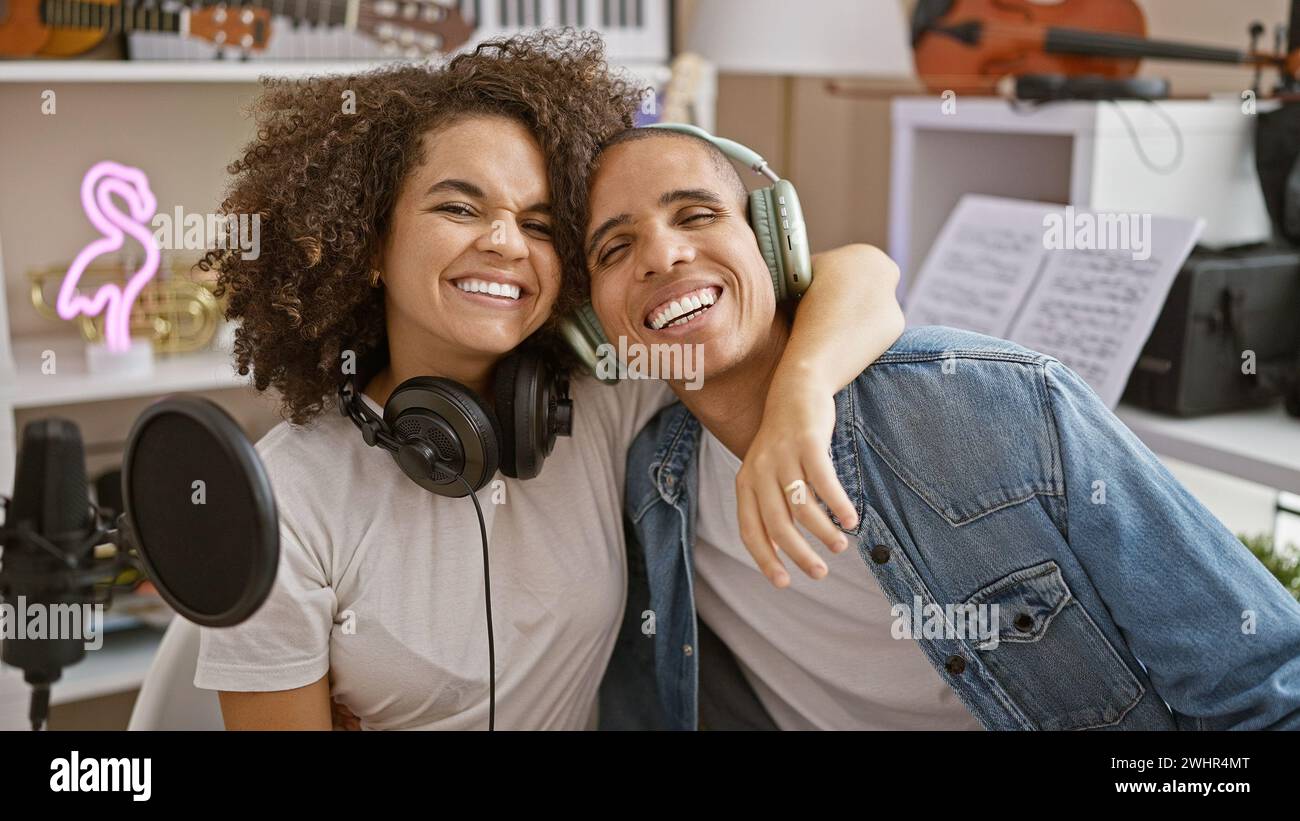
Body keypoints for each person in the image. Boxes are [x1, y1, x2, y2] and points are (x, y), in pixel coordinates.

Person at [192, 32, 905, 730]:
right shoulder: (285, 497)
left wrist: (799, 396)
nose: (504, 244)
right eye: (459, 208)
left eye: (537, 224)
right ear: (371, 240)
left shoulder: (598, 399)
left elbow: (866, 274)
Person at [584, 126, 1300, 730]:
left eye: (697, 215)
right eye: (614, 249)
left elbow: (1266, 685)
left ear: (774, 240)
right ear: (593, 325)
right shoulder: (654, 488)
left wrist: (799, 393)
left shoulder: (998, 404)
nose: (661, 254)